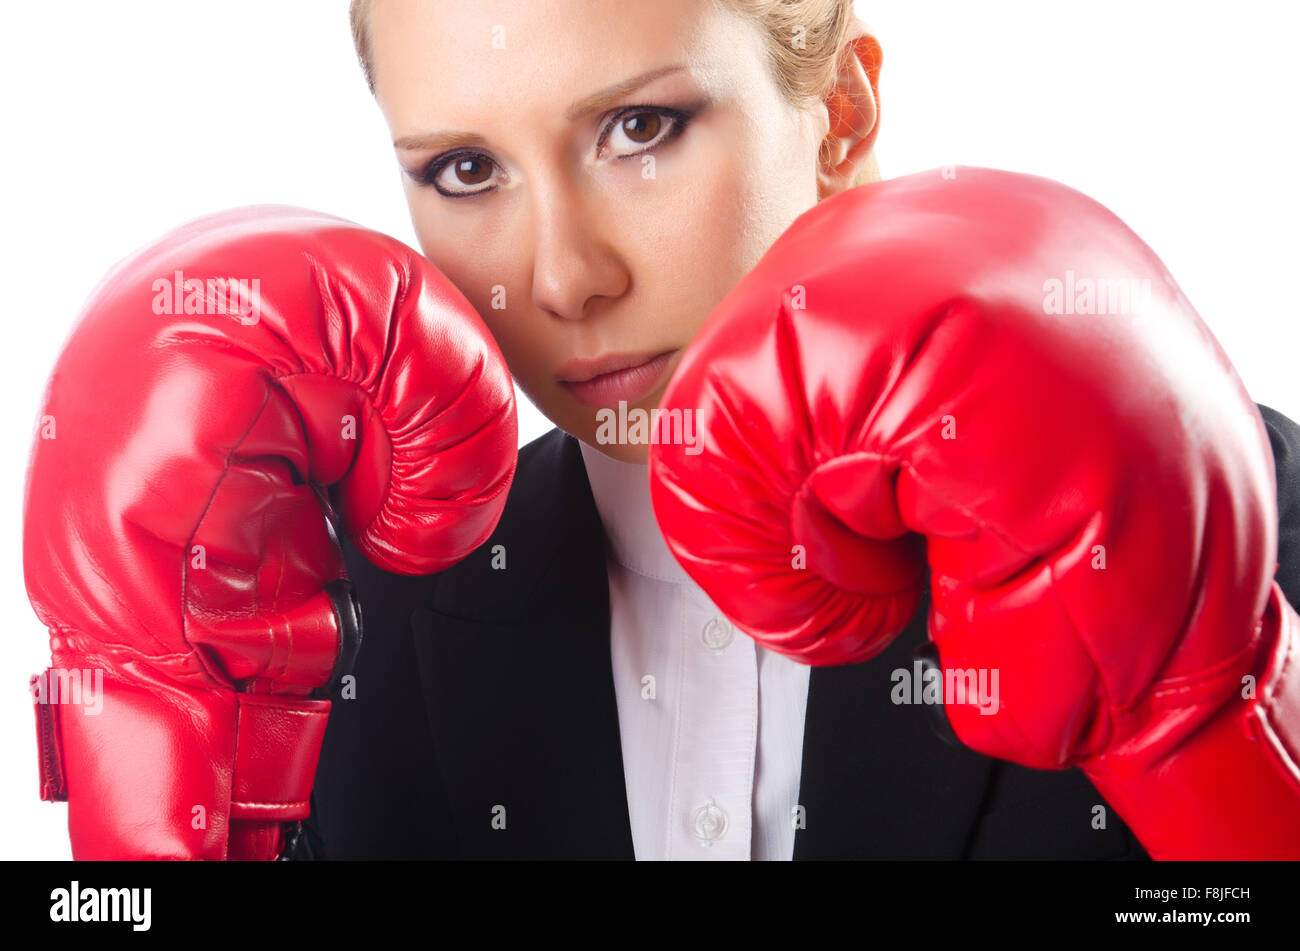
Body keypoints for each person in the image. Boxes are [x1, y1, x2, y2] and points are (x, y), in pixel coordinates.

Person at [298, 0, 1300, 860]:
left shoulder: (1231, 523)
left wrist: (1229, 722)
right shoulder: (339, 625)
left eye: (640, 128)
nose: (564, 279)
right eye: (467, 169)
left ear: (840, 113)